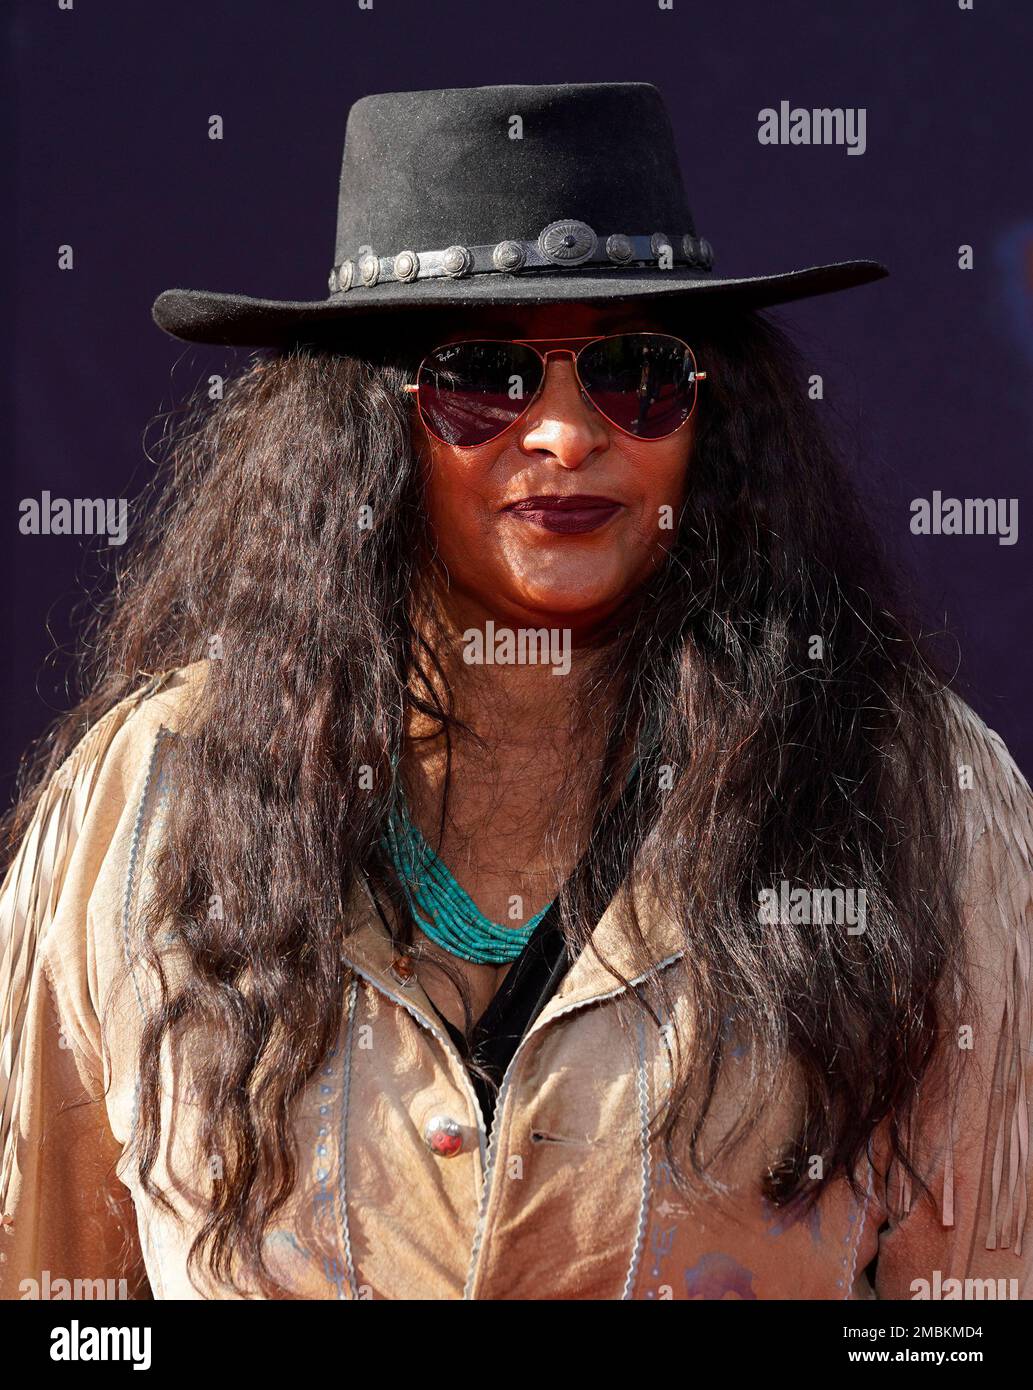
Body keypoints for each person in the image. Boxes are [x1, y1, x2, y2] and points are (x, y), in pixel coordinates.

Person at [2, 81, 1031, 1302]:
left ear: (715, 420)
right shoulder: (149, 795)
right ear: (361, 427)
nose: (561, 433)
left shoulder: (907, 794)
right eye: (482, 376)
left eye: (635, 374)